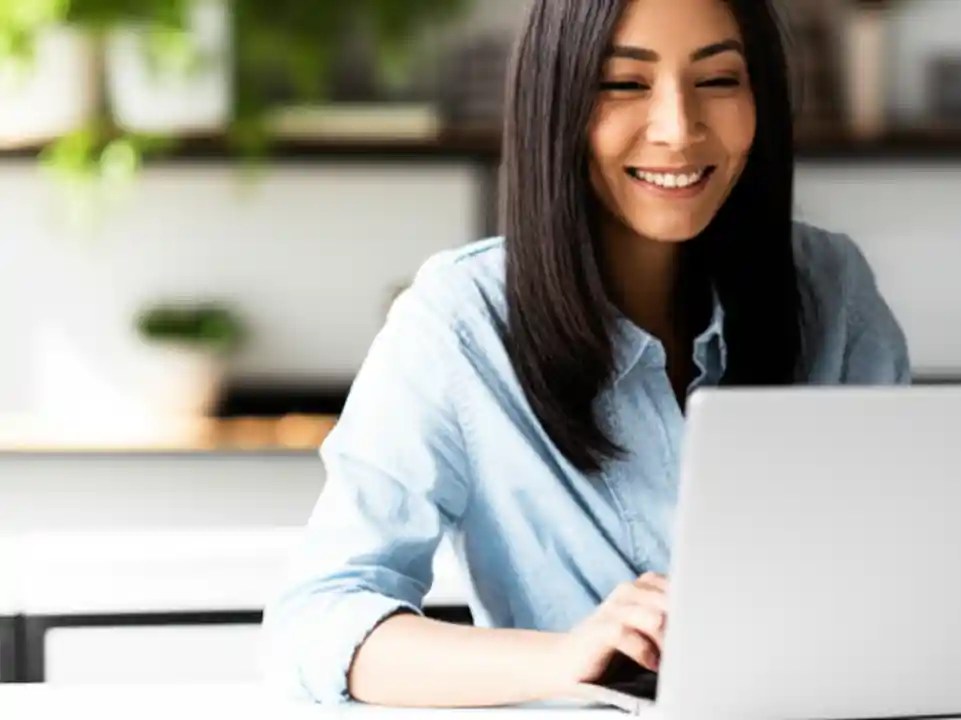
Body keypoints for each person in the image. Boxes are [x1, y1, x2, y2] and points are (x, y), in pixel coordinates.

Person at [262, 0, 910, 708]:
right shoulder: (459, 323)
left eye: (720, 80)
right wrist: (563, 658)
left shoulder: (831, 290)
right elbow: (316, 625)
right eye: (624, 84)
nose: (678, 128)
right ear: (557, 101)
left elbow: (907, 568)